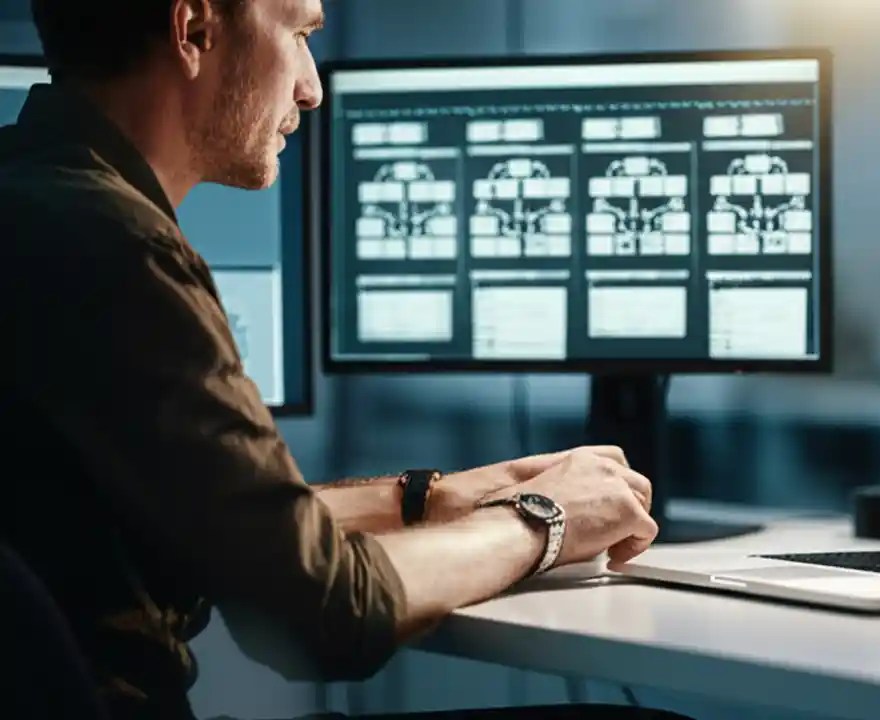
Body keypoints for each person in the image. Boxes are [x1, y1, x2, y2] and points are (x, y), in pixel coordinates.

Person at [0, 1, 684, 719]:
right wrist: (542, 519)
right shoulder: (123, 255)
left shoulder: (35, 201)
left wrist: (427, 499)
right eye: (297, 33)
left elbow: (225, 530)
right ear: (194, 29)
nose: (311, 87)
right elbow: (324, 612)